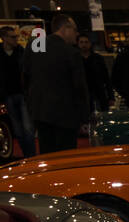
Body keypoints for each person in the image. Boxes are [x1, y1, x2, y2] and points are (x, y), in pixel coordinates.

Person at [21, 13, 88, 153]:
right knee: (65, 156)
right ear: (65, 28)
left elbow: (25, 77)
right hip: (65, 114)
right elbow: (79, 86)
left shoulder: (34, 47)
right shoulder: (71, 53)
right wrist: (84, 116)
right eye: (75, 30)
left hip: (40, 112)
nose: (76, 34)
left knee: (47, 152)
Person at [0, 26, 35, 156]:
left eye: (16, 36)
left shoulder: (21, 53)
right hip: (7, 95)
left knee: (27, 128)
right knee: (18, 129)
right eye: (13, 37)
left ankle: (30, 155)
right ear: (4, 38)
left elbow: (29, 70)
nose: (16, 39)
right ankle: (27, 155)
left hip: (22, 94)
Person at [77, 32, 112, 114]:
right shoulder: (75, 59)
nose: (84, 45)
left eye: (86, 42)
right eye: (81, 42)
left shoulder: (98, 59)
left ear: (90, 43)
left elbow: (106, 78)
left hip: (99, 94)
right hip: (82, 95)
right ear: (77, 44)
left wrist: (111, 96)